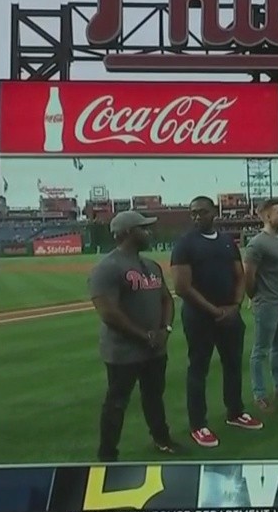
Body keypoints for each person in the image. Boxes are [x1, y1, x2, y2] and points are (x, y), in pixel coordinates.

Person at [171, 196, 263, 449]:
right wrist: (214, 311)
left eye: (202, 212)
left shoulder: (226, 241)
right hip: (200, 317)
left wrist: (233, 306)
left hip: (229, 314)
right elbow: (182, 287)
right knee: (198, 369)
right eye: (193, 213)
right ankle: (198, 425)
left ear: (214, 212)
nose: (197, 217)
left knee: (233, 364)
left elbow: (239, 275)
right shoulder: (185, 244)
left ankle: (235, 412)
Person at [87, 210, 179, 462]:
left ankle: (162, 439)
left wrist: (165, 331)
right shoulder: (106, 268)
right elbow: (108, 313)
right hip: (122, 351)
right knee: (116, 403)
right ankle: (107, 454)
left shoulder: (151, 265)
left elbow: (166, 300)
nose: (149, 232)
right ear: (127, 233)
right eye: (143, 228)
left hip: (155, 348)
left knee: (154, 397)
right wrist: (144, 335)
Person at [243, 198, 278, 412]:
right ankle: (259, 394)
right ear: (267, 217)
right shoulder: (257, 243)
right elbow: (249, 275)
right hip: (267, 303)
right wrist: (256, 297)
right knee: (260, 351)